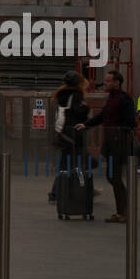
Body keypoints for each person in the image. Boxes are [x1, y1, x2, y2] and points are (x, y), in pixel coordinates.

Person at [77, 68, 136, 222]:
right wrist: (86, 125)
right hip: (111, 143)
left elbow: (130, 122)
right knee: (112, 176)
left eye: (109, 81)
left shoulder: (125, 99)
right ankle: (122, 210)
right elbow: (102, 116)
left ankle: (123, 212)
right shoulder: (111, 98)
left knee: (114, 176)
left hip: (119, 143)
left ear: (117, 82)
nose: (106, 83)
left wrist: (119, 131)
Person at [48, 70, 90, 203]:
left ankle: (81, 189)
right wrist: (86, 109)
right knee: (76, 165)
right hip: (74, 134)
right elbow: (78, 113)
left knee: (66, 165)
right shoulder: (76, 95)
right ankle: (82, 190)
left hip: (64, 134)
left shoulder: (61, 95)